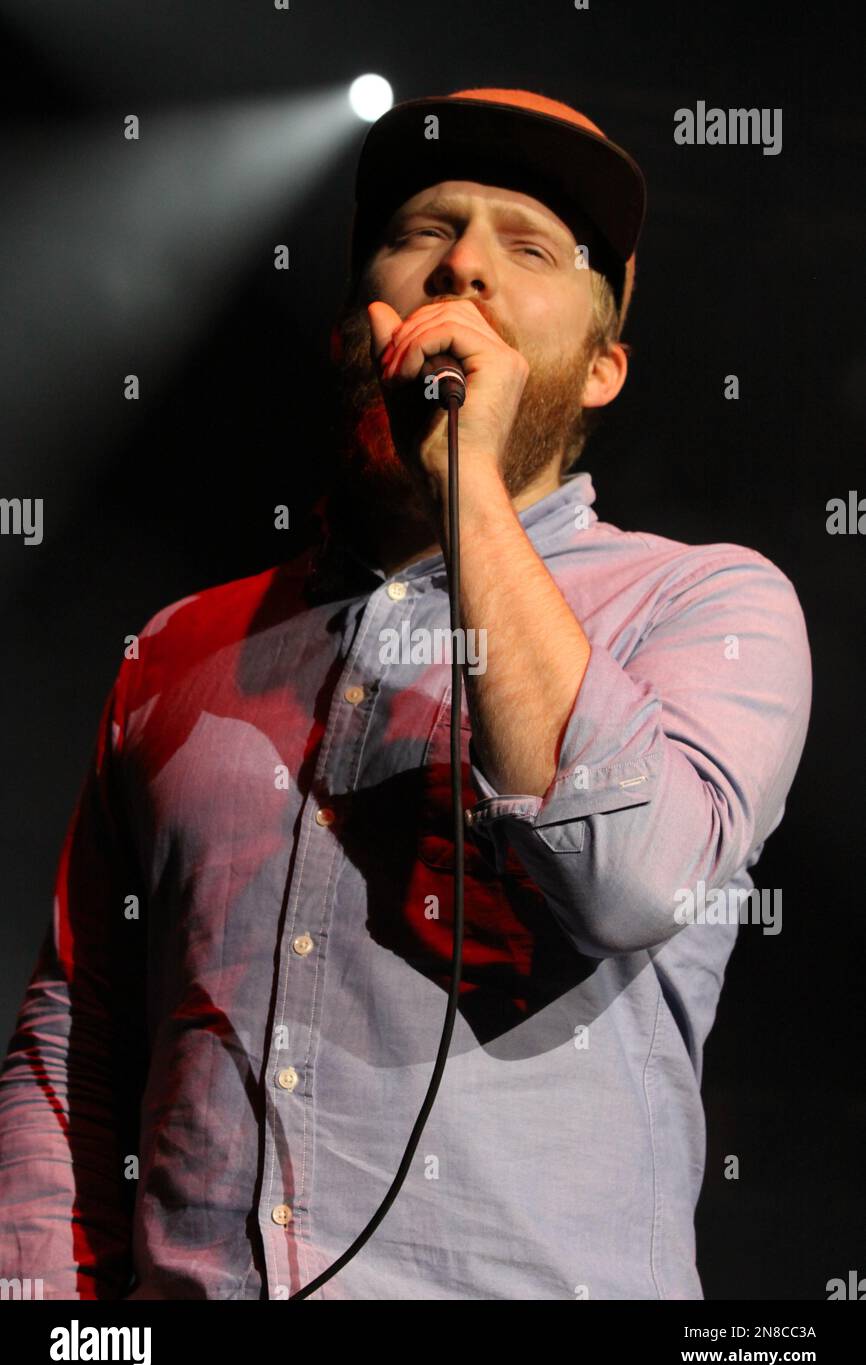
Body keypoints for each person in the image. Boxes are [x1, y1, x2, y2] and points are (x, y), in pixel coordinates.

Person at [0, 88, 811, 1300]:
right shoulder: (179, 649)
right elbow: (77, 1033)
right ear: (351, 326)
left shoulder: (704, 608)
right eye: (422, 230)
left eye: (527, 247)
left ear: (601, 369)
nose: (463, 266)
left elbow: (633, 876)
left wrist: (465, 485)